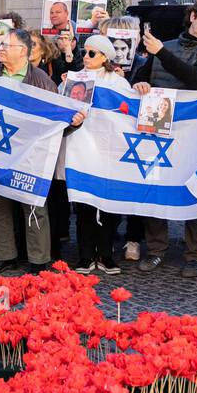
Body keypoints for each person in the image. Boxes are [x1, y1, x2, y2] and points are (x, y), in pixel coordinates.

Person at [132, 0, 197, 277]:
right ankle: (155, 249)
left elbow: (196, 79)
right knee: (155, 186)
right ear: (193, 16)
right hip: (156, 126)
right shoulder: (164, 48)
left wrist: (161, 52)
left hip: (193, 133)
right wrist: (140, 82)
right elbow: (142, 77)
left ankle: (195, 254)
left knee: (193, 189)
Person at [0, 28, 58, 273]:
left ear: (23, 51)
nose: (0, 49)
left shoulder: (41, 81)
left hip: (30, 156)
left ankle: (38, 260)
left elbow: (54, 118)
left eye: (6, 45)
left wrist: (72, 119)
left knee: (33, 206)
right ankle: (5, 256)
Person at [66, 35, 123, 273]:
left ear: (105, 57)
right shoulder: (76, 79)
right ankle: (86, 255)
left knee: (108, 204)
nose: (86, 57)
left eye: (92, 53)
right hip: (81, 147)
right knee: (84, 204)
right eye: (84, 52)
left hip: (108, 150)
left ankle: (106, 254)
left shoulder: (118, 82)